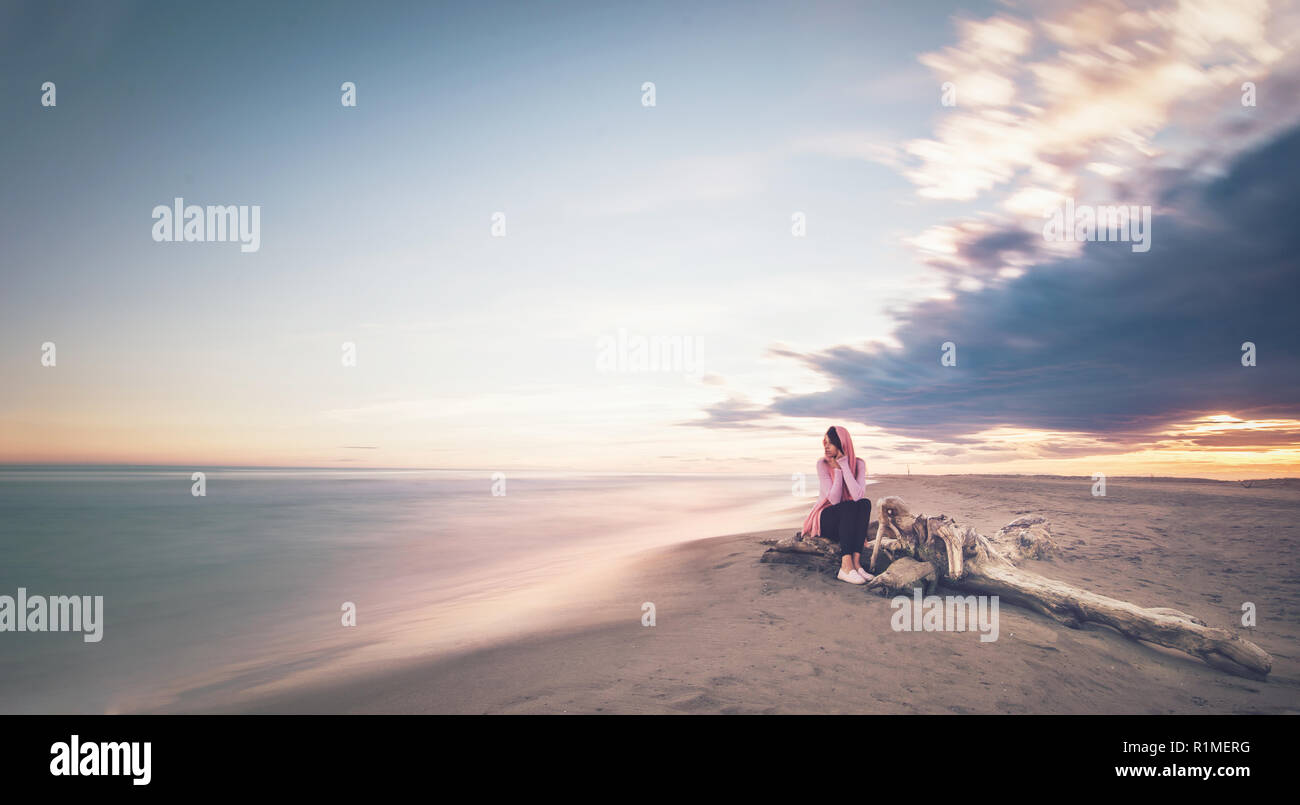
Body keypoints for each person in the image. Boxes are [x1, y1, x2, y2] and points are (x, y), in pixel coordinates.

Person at [800, 426, 873, 584]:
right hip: (826, 519)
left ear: (842, 444)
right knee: (848, 506)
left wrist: (844, 464)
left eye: (830, 443)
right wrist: (837, 471)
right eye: (824, 442)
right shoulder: (822, 464)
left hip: (847, 518)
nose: (826, 446)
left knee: (864, 504)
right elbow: (834, 500)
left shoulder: (858, 463)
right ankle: (845, 567)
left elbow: (858, 495)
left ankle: (856, 564)